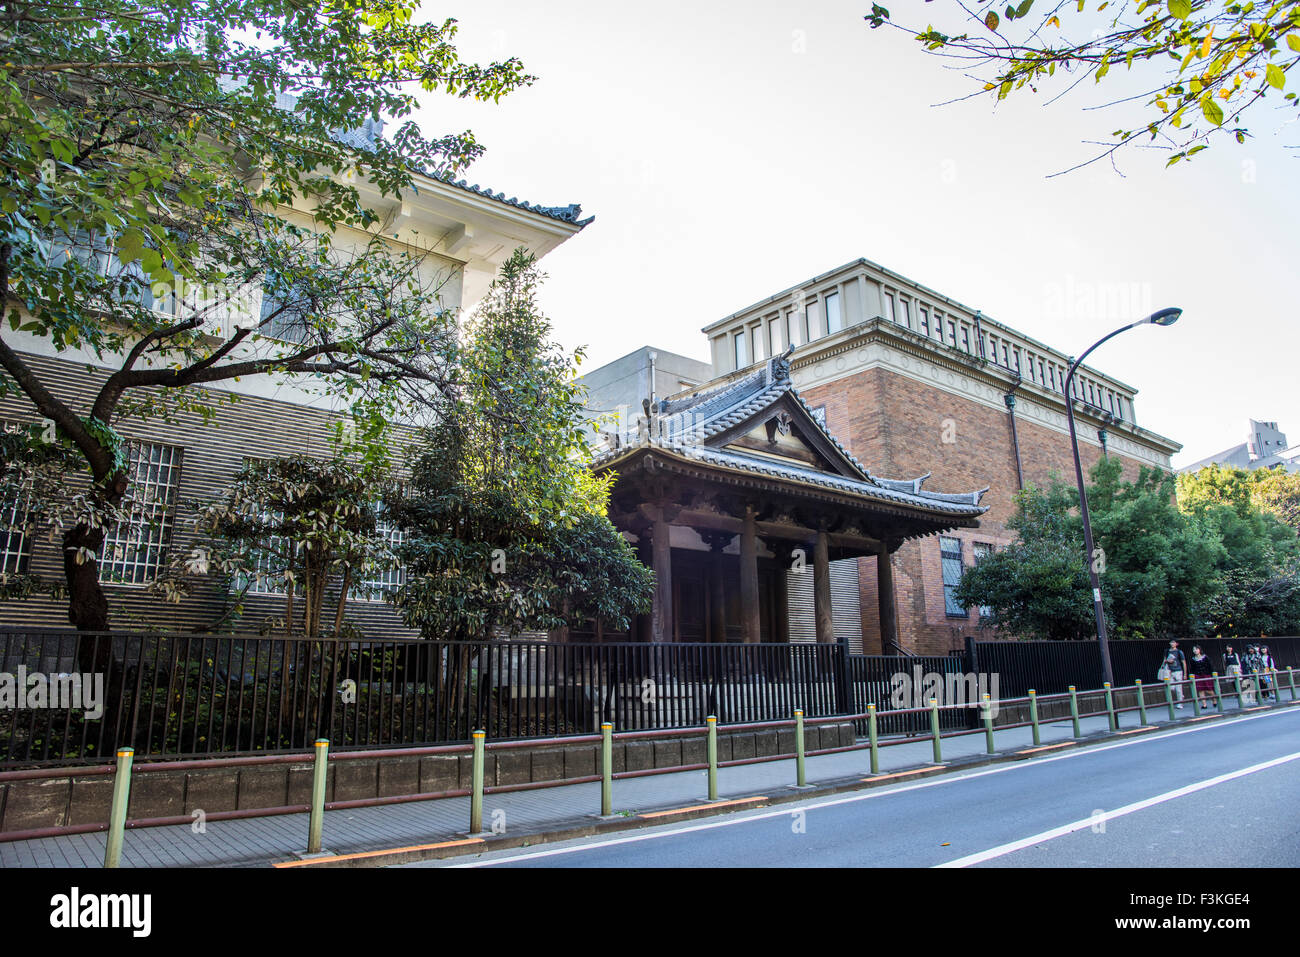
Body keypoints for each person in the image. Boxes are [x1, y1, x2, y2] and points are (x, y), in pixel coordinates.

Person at [1160, 640, 1187, 709]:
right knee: (1171, 687)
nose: (1172, 644)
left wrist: (1185, 674)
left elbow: (1183, 662)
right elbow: (1164, 660)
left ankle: (1180, 703)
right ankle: (1181, 696)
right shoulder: (1167, 651)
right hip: (1169, 671)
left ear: (1177, 644)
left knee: (1178, 688)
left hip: (1178, 671)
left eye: (1174, 642)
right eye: (1171, 642)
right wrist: (1165, 663)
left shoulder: (1179, 652)